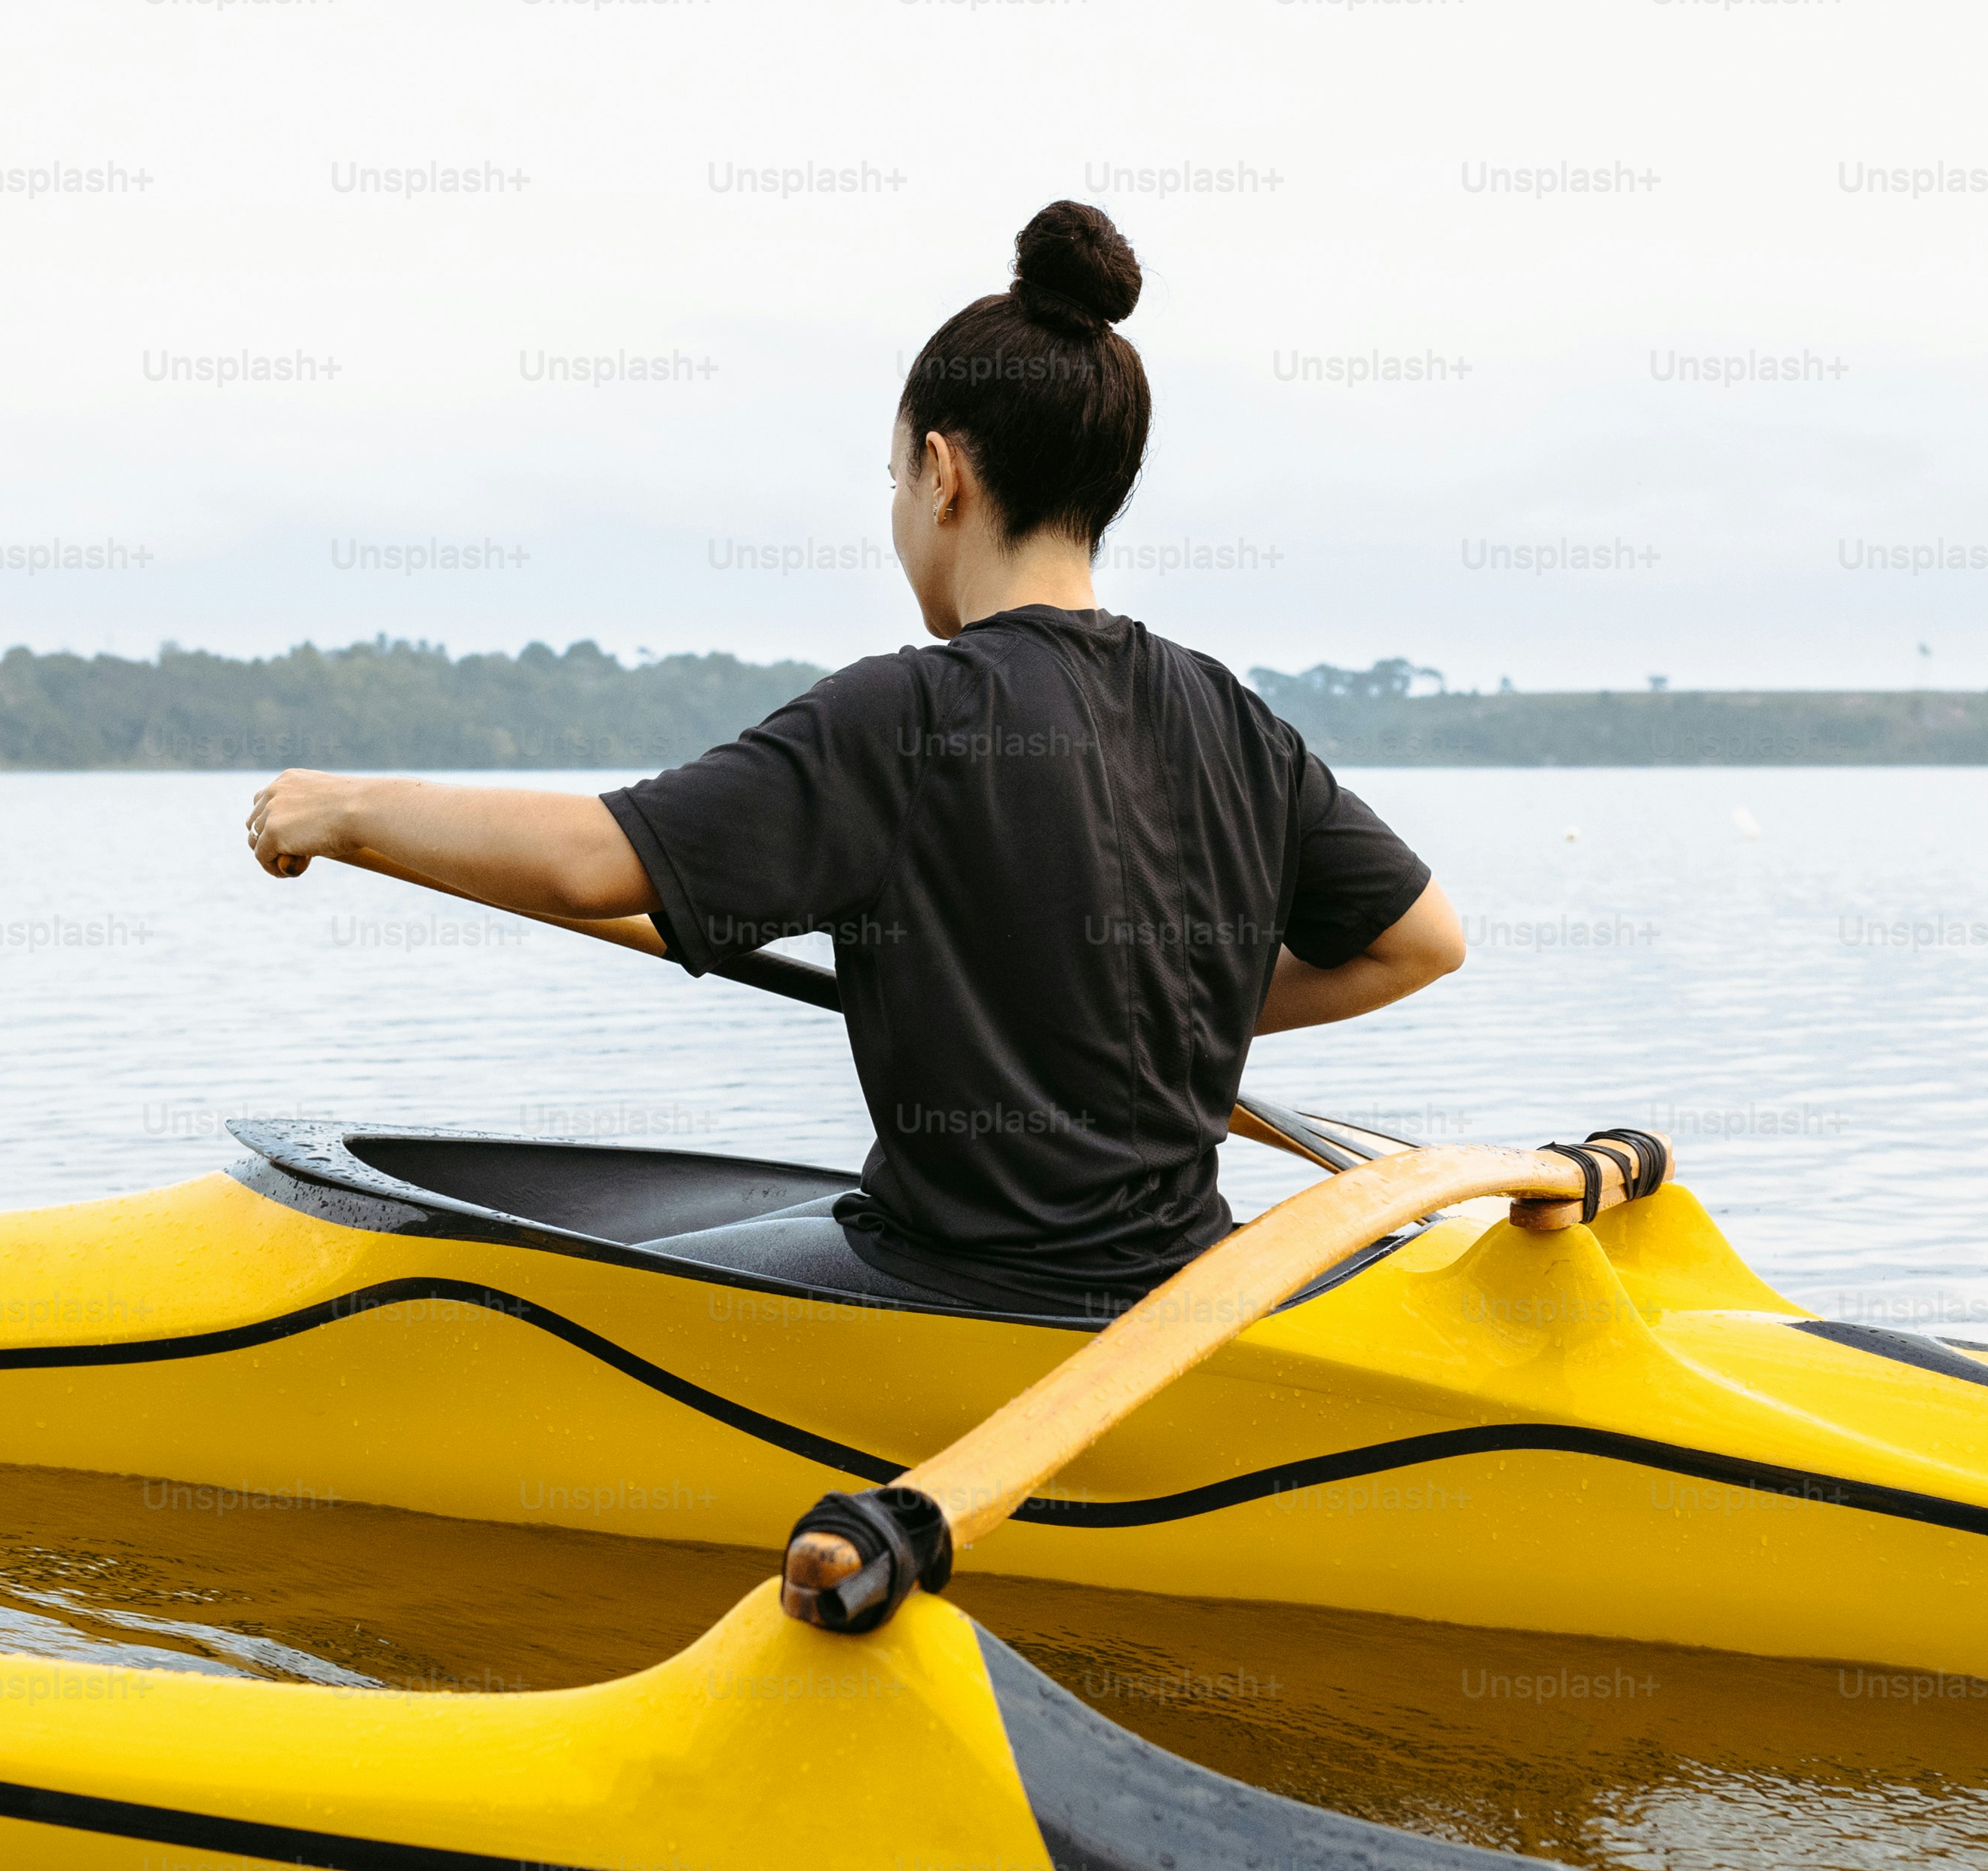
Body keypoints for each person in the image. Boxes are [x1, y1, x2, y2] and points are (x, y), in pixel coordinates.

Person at [247, 200, 1464, 1315]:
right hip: (1183, 1281)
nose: (894, 511)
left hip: (967, 1296)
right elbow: (1423, 941)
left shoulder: (908, 715)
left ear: (944, 473)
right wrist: (1148, 1013)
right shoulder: (1232, 718)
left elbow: (588, 863)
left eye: (893, 478)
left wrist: (341, 809)